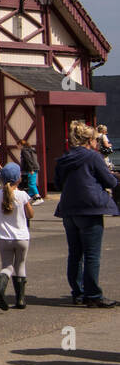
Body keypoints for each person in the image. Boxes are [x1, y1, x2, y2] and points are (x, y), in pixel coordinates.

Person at [53, 121, 118, 307]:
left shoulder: (65, 158)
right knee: (92, 254)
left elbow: (57, 184)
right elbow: (110, 182)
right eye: (96, 140)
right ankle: (93, 295)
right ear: (89, 140)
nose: (97, 143)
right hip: (90, 209)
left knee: (75, 253)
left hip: (68, 209)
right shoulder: (93, 157)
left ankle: (78, 292)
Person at [0, 162, 34, 311]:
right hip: (22, 237)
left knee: (7, 266)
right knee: (20, 265)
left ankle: (1, 285)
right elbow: (31, 214)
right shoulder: (22, 195)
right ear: (18, 179)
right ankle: (20, 299)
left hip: (4, 238)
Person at [19, 137, 43, 204]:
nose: (17, 147)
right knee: (30, 184)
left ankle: (38, 197)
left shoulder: (24, 150)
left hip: (31, 169)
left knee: (32, 184)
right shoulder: (31, 149)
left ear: (20, 144)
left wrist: (31, 169)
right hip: (34, 168)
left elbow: (28, 160)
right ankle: (33, 197)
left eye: (17, 145)